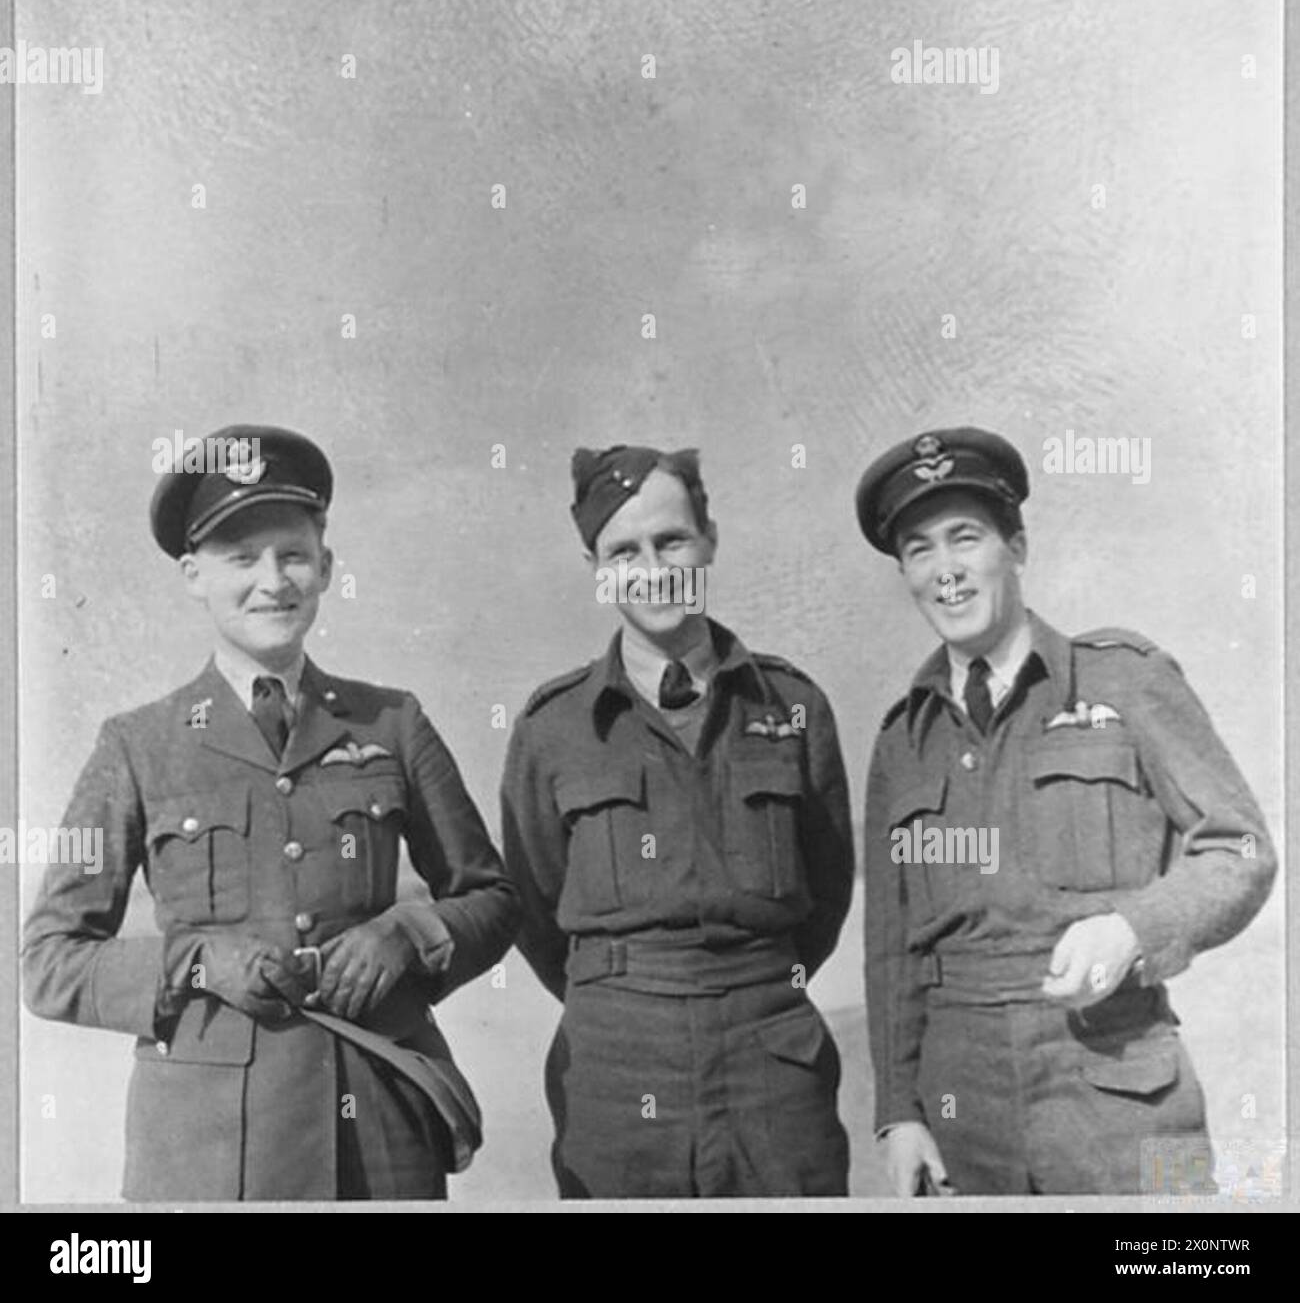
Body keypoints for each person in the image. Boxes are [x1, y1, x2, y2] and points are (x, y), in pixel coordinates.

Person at [23, 424, 519, 1200]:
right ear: (194, 574)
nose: (272, 580)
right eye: (240, 558)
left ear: (326, 567)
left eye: (292, 554)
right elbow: (48, 961)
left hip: (377, 1129)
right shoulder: (136, 746)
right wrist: (191, 962)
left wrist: (408, 933)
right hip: (206, 1149)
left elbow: (492, 898)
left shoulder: (393, 723)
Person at [855, 426, 1276, 1196]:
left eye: (965, 538)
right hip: (963, 1111)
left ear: (1016, 545)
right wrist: (897, 1112)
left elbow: (1240, 849)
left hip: (1126, 1087)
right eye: (919, 549)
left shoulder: (1127, 680)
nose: (945, 570)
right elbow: (891, 951)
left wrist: (1132, 930)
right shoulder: (901, 743)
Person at [500, 444, 854, 1197]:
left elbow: (826, 891)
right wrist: (633, 995)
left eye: (672, 541)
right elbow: (536, 907)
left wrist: (746, 984)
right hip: (617, 1065)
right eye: (623, 551)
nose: (653, 567)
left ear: (710, 539)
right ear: (598, 568)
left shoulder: (792, 706)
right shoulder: (554, 727)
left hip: (772, 1057)